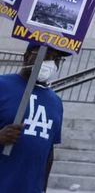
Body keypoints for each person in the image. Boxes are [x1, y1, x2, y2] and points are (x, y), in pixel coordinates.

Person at [0, 45, 65, 193]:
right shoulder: (2, 86)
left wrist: (43, 188)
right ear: (26, 57)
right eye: (46, 55)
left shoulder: (56, 102)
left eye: (56, 59)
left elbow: (48, 152)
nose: (51, 63)